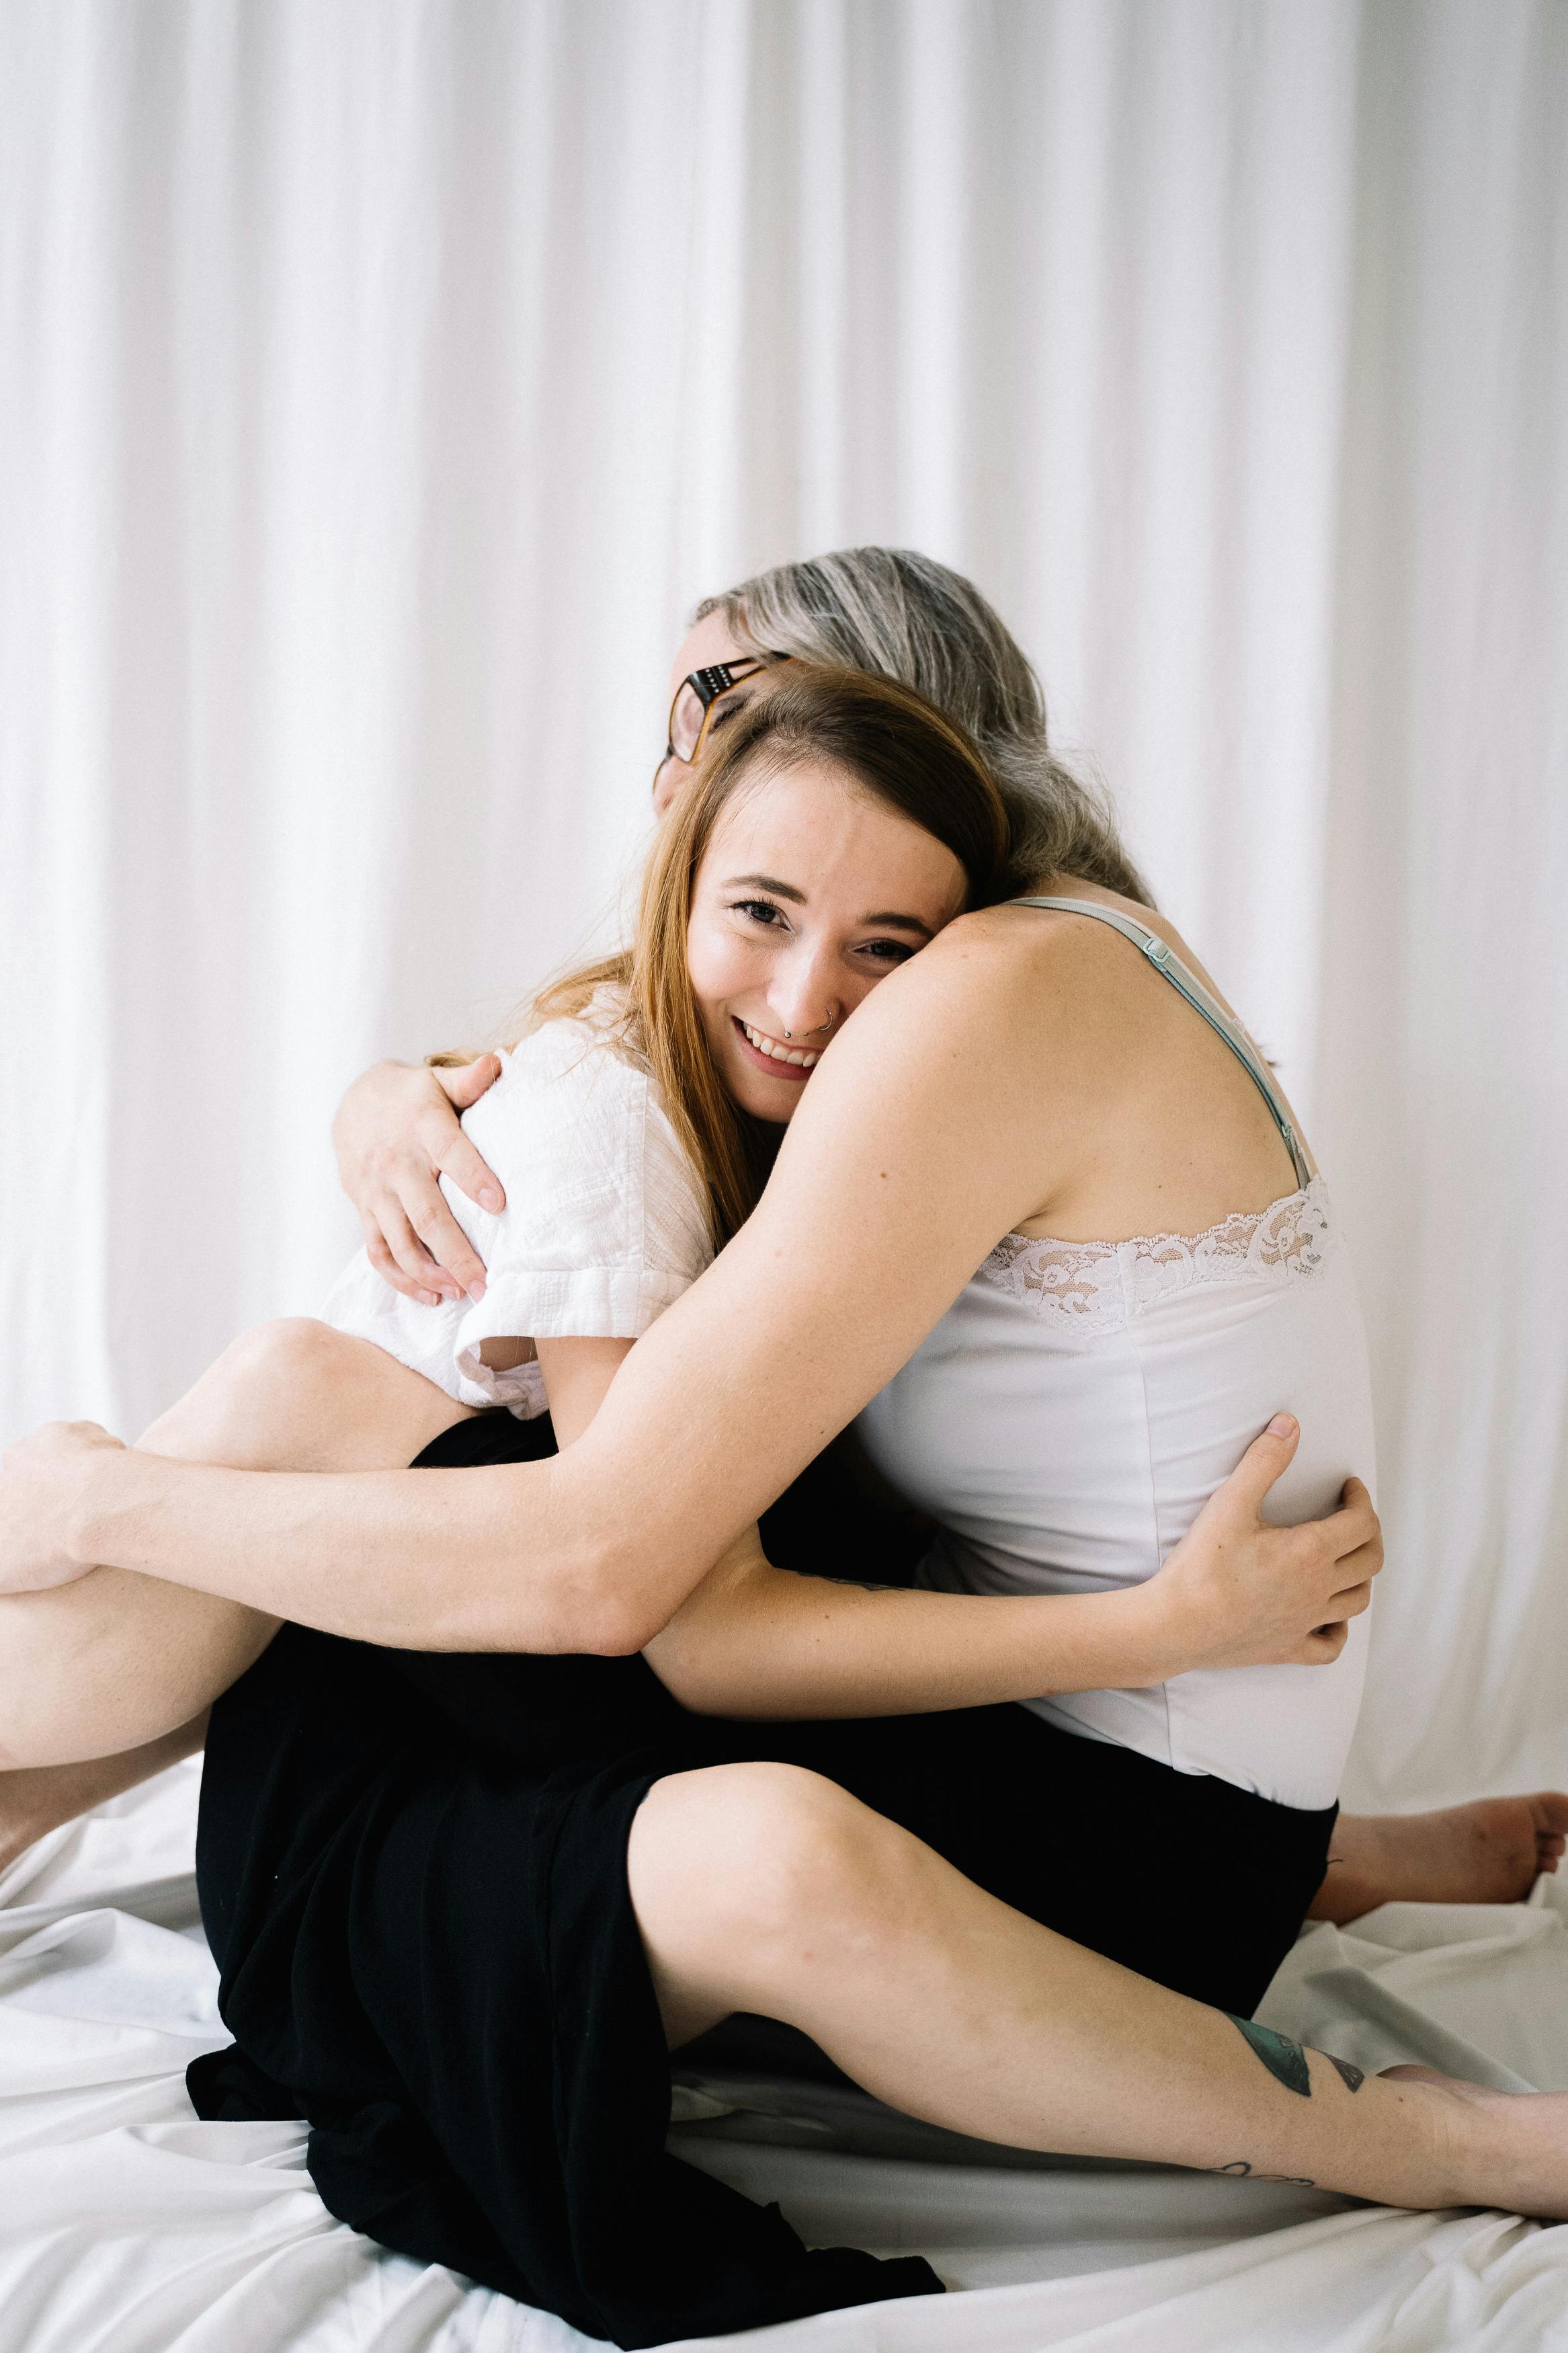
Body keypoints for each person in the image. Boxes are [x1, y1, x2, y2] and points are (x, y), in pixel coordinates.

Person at [3, 560, 1566, 2344]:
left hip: (1127, 1835)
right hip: (1154, 1788)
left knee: (335, 1426)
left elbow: (628, 1583)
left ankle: (17, 1759)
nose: (672, 770)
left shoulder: (978, 999)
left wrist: (101, 1490)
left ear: (885, 743)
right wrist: (398, 1089)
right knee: (338, 1404)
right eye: (678, 731)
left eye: (721, 713)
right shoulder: (1017, 960)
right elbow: (615, 1101)